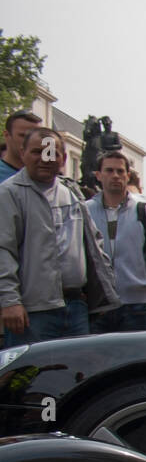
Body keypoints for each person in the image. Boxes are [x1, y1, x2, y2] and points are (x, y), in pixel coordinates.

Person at [0, 127, 119, 346]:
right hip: (32, 311)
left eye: (52, 153)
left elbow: (94, 244)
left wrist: (102, 294)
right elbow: (3, 251)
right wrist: (9, 302)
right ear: (23, 152)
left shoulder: (72, 192)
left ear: (63, 158)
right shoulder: (9, 193)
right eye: (38, 152)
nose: (45, 158)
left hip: (76, 307)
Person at [86, 149, 146, 332]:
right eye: (109, 171)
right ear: (98, 175)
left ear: (128, 175)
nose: (115, 176)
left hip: (138, 303)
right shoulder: (85, 211)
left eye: (120, 171)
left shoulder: (145, 211)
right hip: (99, 304)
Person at [0, 111, 41, 184]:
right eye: (23, 136)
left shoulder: (46, 177)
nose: (30, 141)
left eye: (35, 137)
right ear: (7, 135)